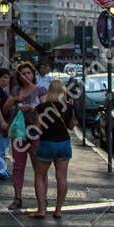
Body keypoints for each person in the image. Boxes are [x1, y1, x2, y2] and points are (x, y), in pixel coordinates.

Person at [30, 78, 75, 219]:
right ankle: (58, 210)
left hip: (47, 143)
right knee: (62, 177)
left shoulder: (41, 108)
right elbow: (72, 127)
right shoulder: (69, 107)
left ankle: (41, 209)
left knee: (40, 176)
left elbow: (37, 129)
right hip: (64, 143)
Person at [6, 60, 44, 212]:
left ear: (33, 75)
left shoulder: (40, 90)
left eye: (29, 72)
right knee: (18, 166)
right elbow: (5, 107)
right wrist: (15, 100)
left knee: (39, 167)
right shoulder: (15, 91)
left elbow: (45, 109)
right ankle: (17, 197)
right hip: (19, 133)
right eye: (23, 73)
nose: (26, 75)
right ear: (19, 76)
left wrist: (32, 109)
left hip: (35, 133)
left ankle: (41, 198)